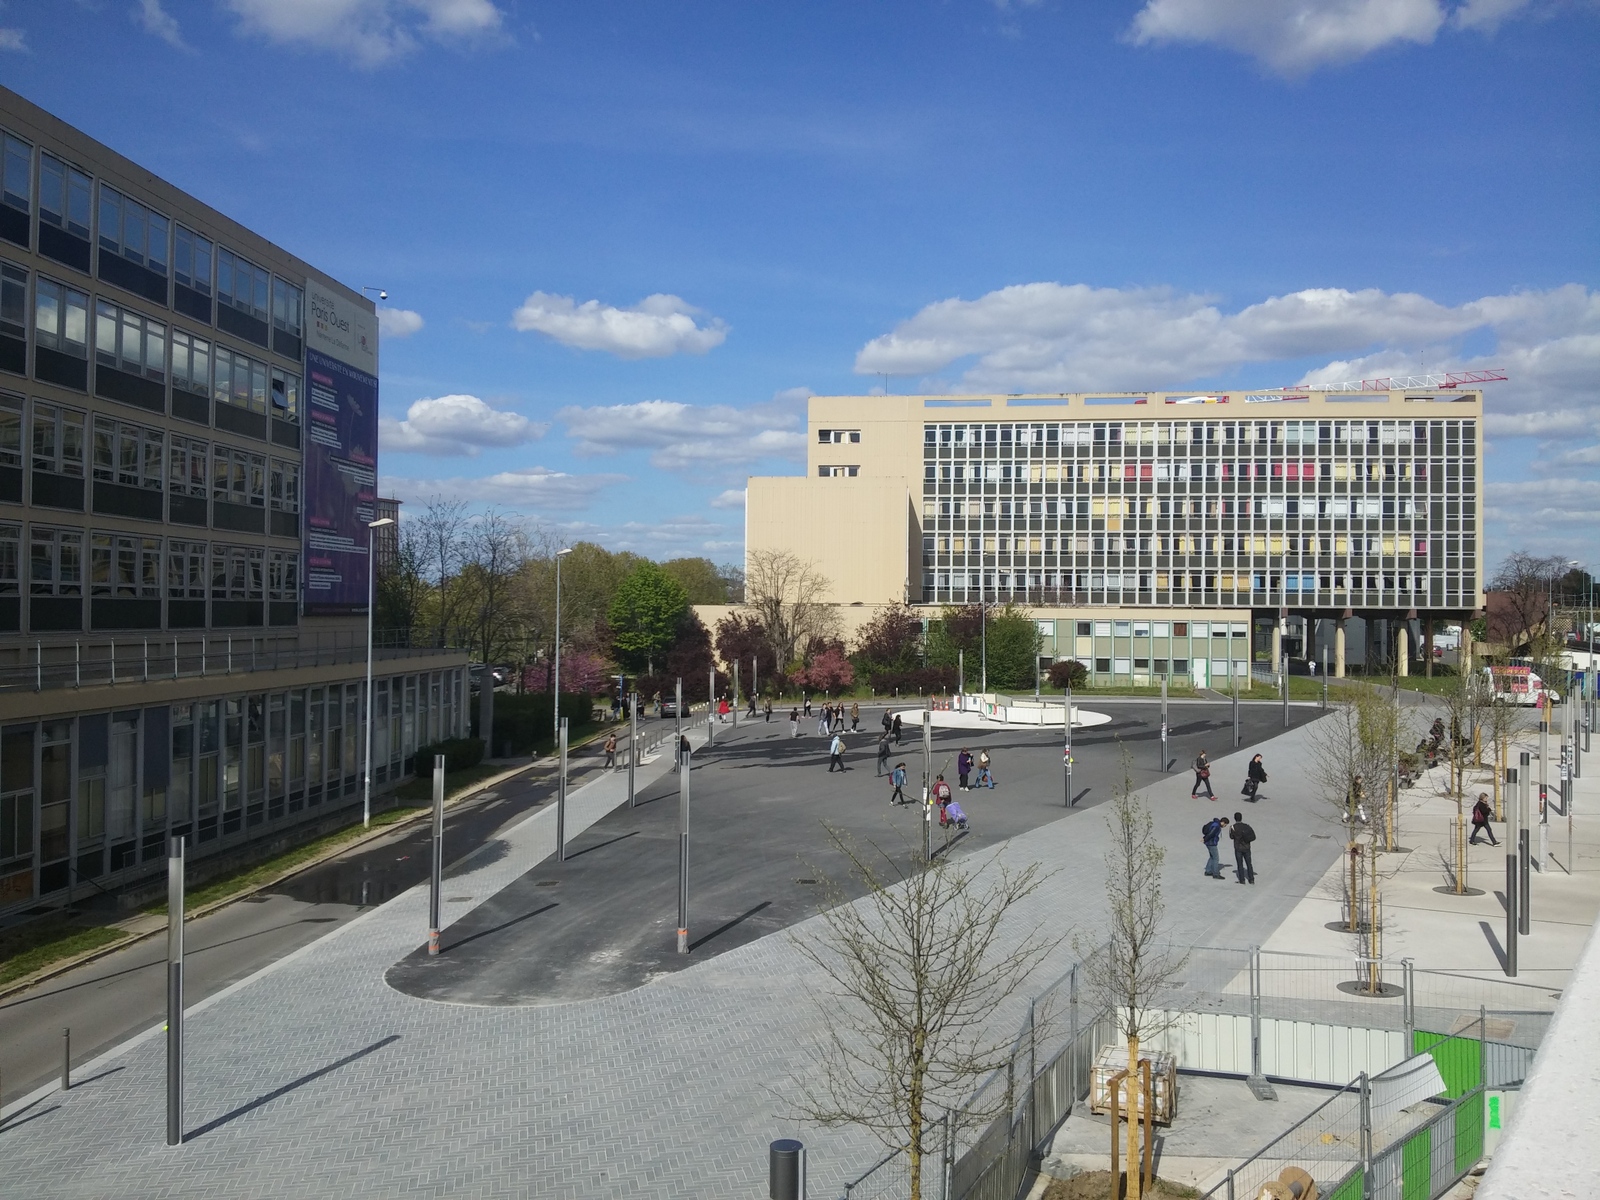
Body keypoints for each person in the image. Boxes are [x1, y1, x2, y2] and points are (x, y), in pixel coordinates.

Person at [1229, 812, 1256, 884]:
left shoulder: (1233, 827)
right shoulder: (1246, 826)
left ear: (1235, 818)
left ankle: (1242, 880)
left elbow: (1231, 837)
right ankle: (1251, 879)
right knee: (1249, 864)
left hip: (1238, 848)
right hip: (1247, 847)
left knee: (1240, 864)